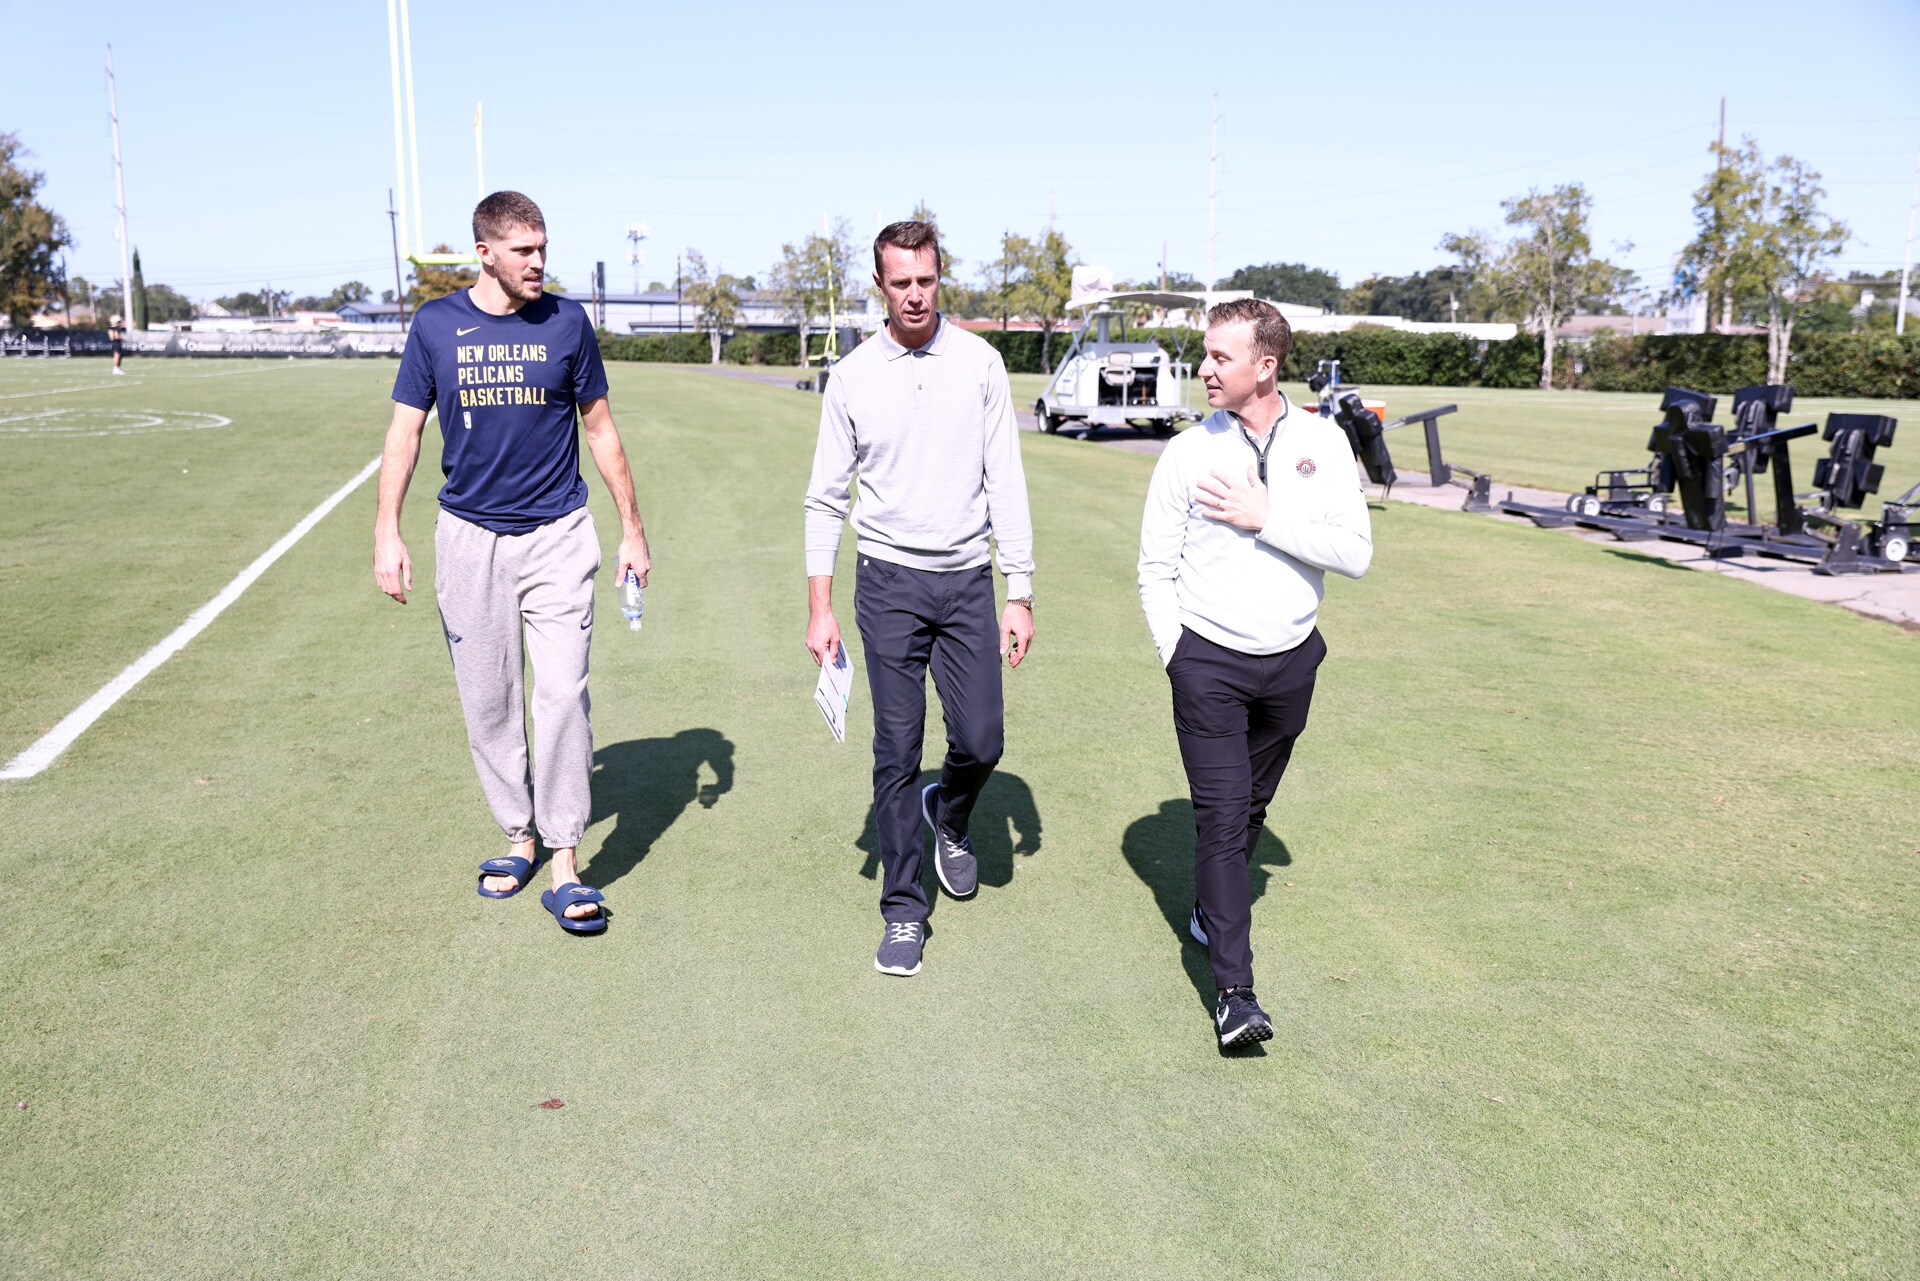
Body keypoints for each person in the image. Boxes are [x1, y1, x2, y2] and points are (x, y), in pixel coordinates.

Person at [373, 190, 650, 935]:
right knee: (489, 701)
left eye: (543, 247)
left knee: (561, 694)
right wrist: (386, 533)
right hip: (468, 538)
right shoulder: (435, 326)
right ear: (485, 252)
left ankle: (563, 857)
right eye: (524, 250)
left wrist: (632, 529)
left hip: (558, 534)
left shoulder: (567, 323)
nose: (539, 262)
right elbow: (404, 435)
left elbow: (601, 431)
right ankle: (517, 835)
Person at [1137, 298, 1372, 1049]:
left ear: (1264, 365)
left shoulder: (1324, 442)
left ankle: (1214, 907)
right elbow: (1153, 569)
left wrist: (1266, 516)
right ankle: (1235, 993)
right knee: (1220, 817)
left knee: (1248, 814)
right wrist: (1177, 653)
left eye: (1219, 357)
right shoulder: (1186, 452)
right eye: (1205, 355)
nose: (1204, 368)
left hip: (1293, 664)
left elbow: (1356, 553)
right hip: (1207, 663)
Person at [804, 220, 1036, 977]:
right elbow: (824, 498)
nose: (913, 294)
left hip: (968, 579)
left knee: (983, 739)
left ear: (942, 279)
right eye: (899, 281)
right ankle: (904, 909)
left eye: (925, 280)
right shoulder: (852, 376)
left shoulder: (981, 364)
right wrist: (820, 604)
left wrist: (1019, 589)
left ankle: (953, 813)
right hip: (889, 584)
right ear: (879, 286)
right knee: (895, 749)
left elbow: (1006, 478)